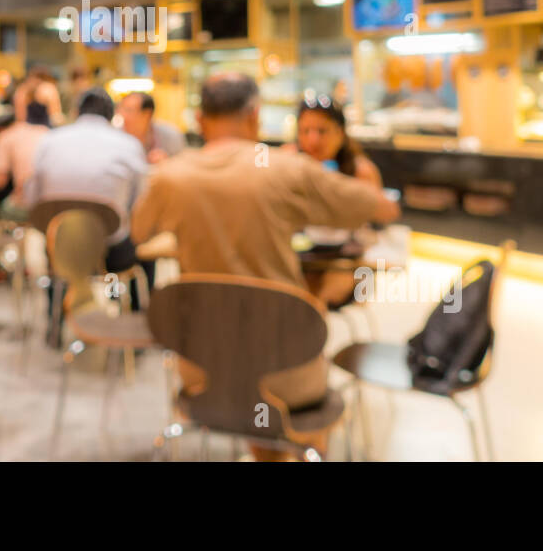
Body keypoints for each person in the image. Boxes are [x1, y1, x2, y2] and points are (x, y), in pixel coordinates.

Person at [131, 72, 398, 413]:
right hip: (285, 370)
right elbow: (381, 208)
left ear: (200, 120)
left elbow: (138, 234)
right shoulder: (288, 169)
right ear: (254, 115)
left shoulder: (169, 177)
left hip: (202, 371)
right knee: (300, 414)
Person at [26, 88, 147, 284]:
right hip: (110, 251)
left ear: (76, 112)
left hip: (59, 246)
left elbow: (33, 197)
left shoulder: (49, 140)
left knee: (54, 244)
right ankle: (122, 304)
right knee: (139, 247)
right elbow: (139, 202)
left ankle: (56, 307)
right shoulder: (129, 145)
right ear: (111, 115)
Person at [295, 95, 382, 186]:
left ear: (340, 133)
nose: (313, 140)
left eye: (322, 131)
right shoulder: (290, 163)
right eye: (305, 131)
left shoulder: (362, 173)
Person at [0, 101, 51, 220]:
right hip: (51, 204)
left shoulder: (4, 136)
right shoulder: (48, 133)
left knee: (2, 208)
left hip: (26, 206)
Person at [117, 91, 185, 164]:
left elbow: (183, 165)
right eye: (121, 110)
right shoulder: (116, 136)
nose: (123, 115)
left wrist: (168, 162)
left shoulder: (171, 136)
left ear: (147, 114)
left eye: (129, 111)